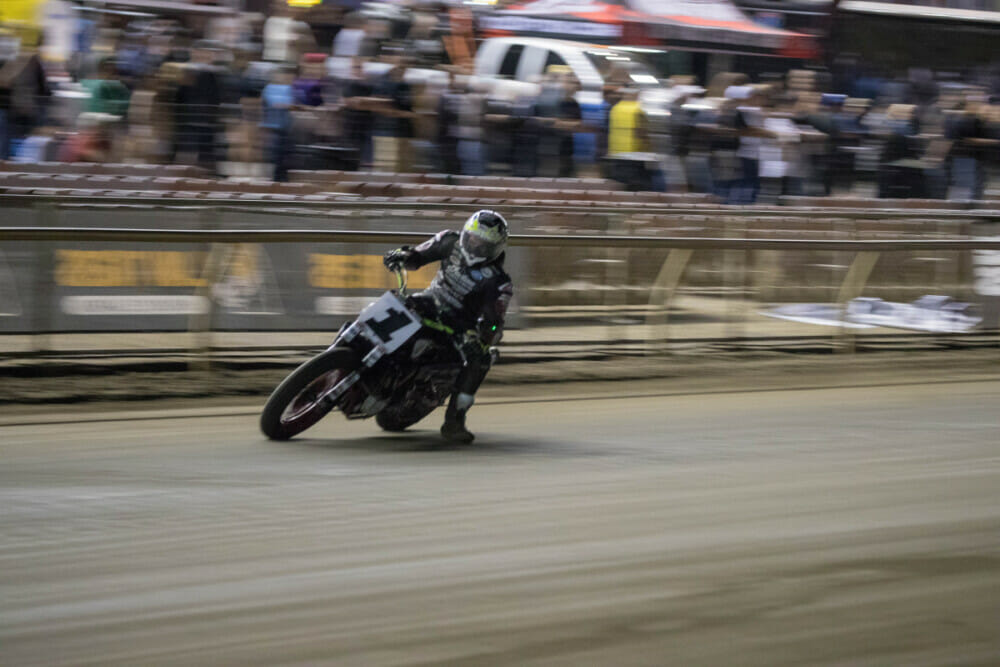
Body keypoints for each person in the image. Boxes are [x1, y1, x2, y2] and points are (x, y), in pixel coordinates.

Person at [382, 210, 513, 443]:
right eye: (473, 239)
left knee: (483, 358)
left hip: (460, 327)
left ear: (496, 248)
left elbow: (495, 325)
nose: (476, 246)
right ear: (465, 234)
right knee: (391, 303)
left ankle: (454, 421)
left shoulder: (499, 282)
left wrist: (481, 340)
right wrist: (402, 256)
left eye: (484, 244)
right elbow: (418, 255)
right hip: (429, 301)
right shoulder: (449, 241)